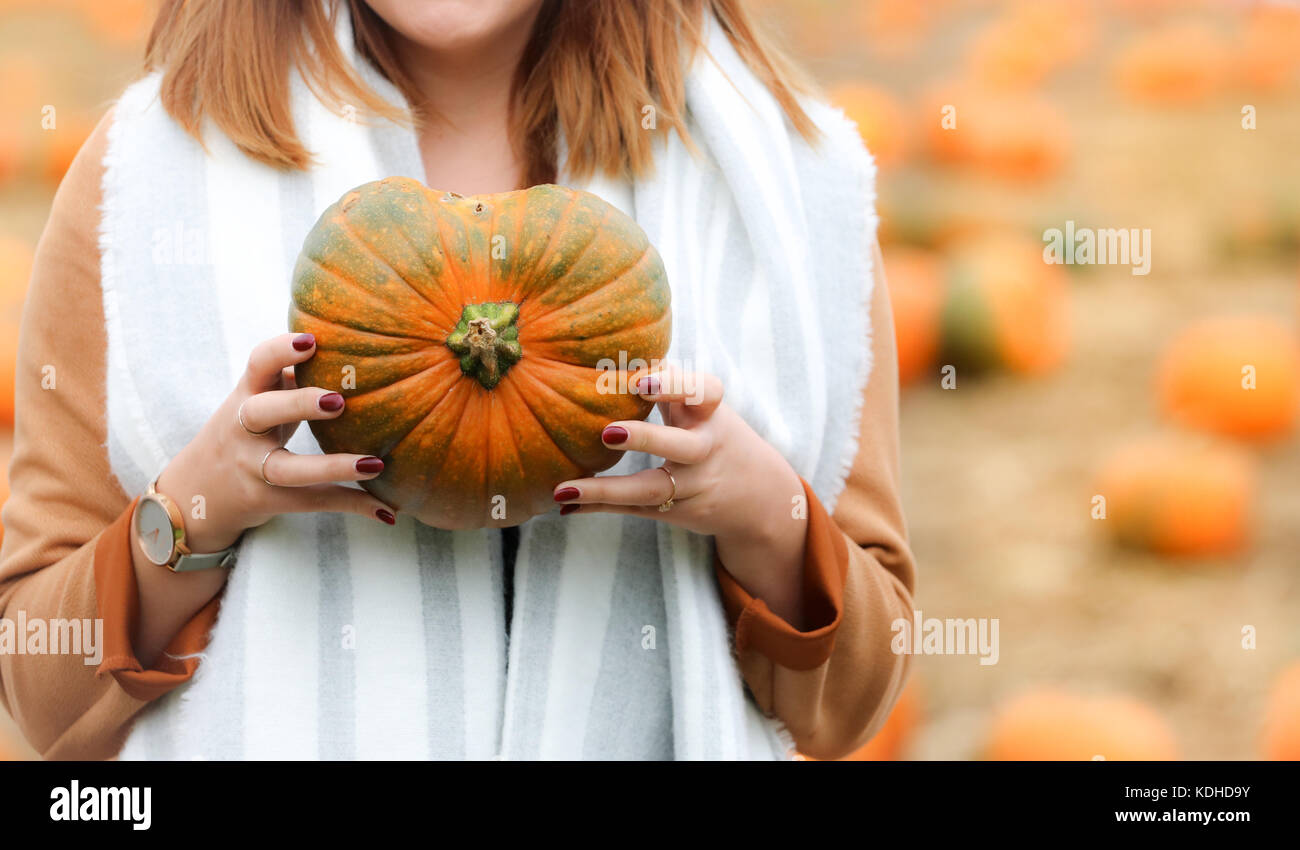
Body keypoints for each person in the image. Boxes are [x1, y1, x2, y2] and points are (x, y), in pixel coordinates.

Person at [0, 0, 916, 760]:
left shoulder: (791, 188)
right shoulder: (143, 177)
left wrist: (765, 517)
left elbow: (852, 707)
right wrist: (195, 511)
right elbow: (37, 690)